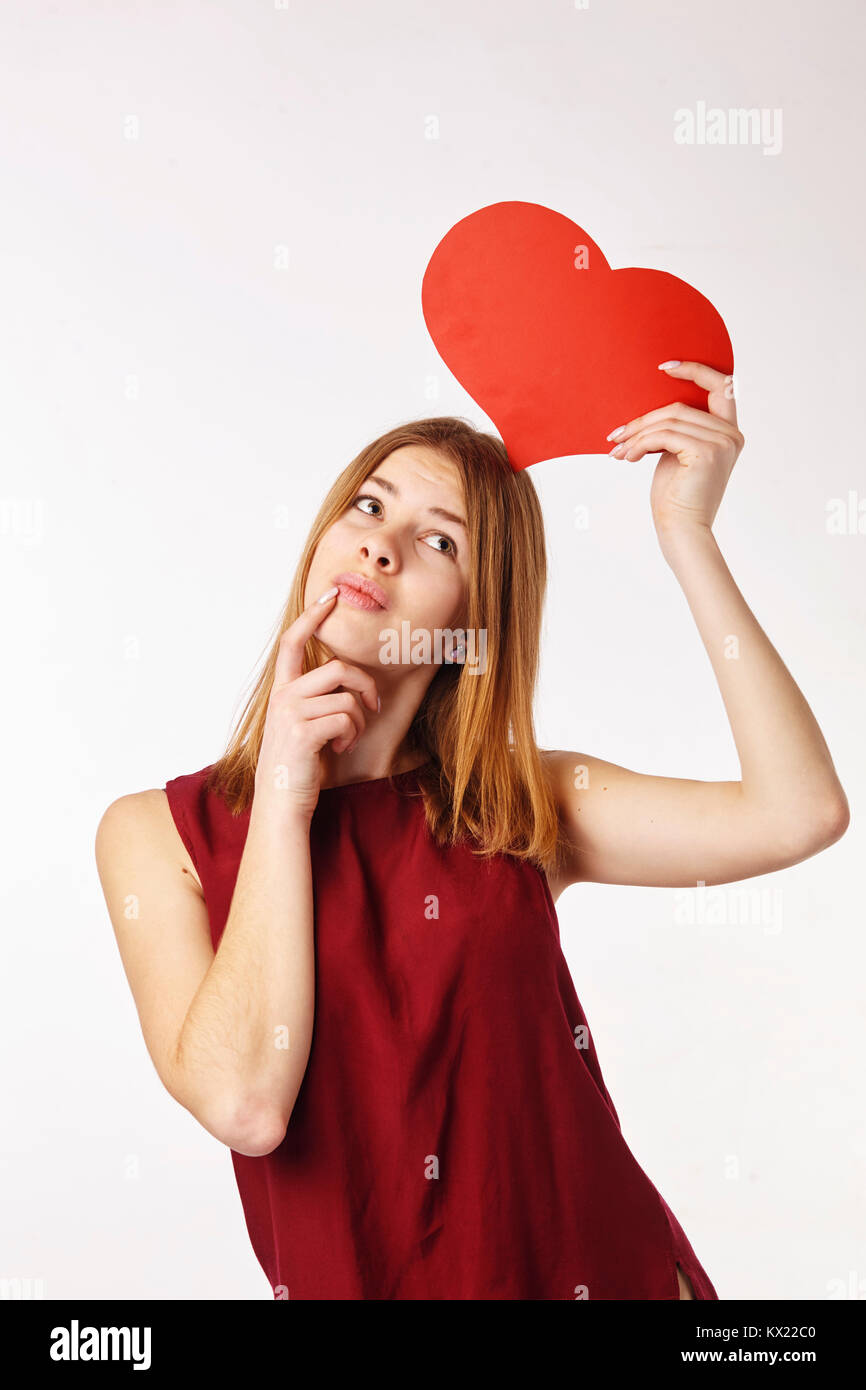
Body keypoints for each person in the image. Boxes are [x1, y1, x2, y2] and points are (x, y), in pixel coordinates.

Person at [95, 361, 849, 1299]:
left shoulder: (523, 805)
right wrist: (288, 794)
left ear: (471, 623)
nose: (383, 548)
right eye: (369, 507)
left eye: (439, 541)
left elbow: (800, 812)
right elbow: (246, 1104)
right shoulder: (155, 836)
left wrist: (686, 533)